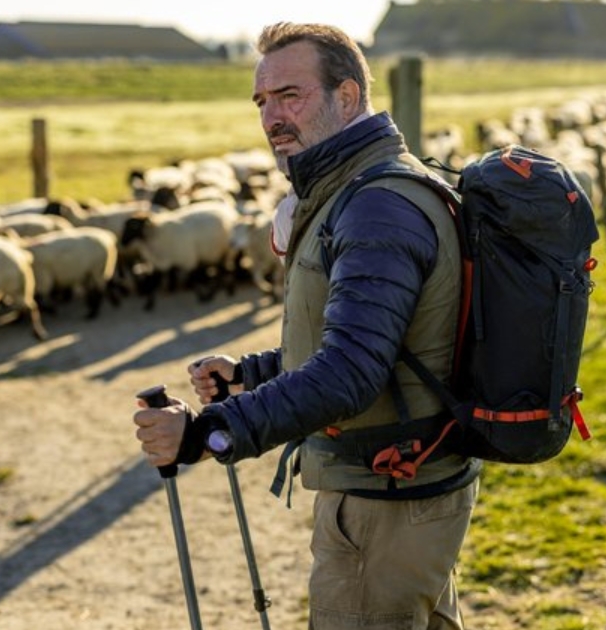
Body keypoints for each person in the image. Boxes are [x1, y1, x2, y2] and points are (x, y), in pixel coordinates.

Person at [132, 21, 480, 630]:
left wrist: (211, 432)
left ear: (346, 97)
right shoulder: (356, 189)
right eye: (262, 102)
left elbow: (350, 372)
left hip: (385, 503)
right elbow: (365, 338)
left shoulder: (377, 205)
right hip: (398, 487)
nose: (271, 118)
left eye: (290, 95)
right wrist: (250, 373)